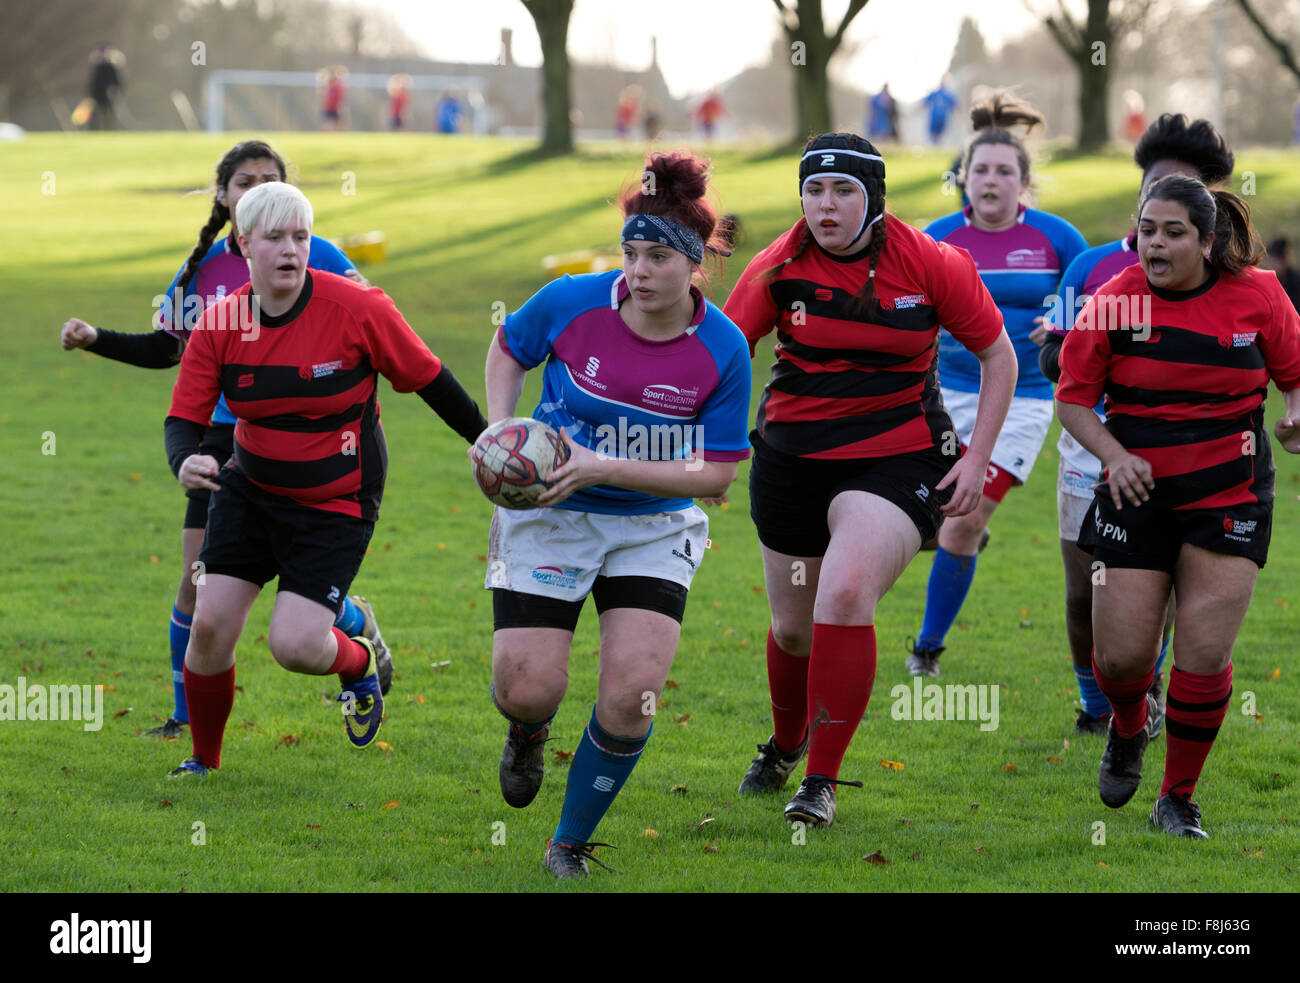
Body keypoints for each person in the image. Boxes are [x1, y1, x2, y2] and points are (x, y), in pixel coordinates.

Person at [723, 133, 1016, 827]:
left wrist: (975, 459)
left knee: (847, 591)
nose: (826, 205)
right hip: (792, 459)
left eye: (844, 191)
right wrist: (719, 445)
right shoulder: (780, 265)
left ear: (874, 197)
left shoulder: (934, 263)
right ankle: (788, 739)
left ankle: (820, 779)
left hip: (900, 455)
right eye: (814, 190)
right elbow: (728, 350)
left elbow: (999, 357)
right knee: (795, 630)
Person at [59, 140, 392, 741]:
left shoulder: (321, 257)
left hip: (302, 434)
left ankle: (343, 618)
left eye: (269, 179)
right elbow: (168, 349)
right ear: (225, 197)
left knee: (289, 599)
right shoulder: (206, 267)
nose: (254, 189)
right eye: (244, 181)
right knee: (198, 582)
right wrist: (97, 340)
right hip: (217, 438)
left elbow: (366, 321)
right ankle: (188, 718)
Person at [482, 151, 751, 877]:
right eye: (631, 251)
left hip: (652, 526)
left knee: (634, 695)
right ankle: (528, 729)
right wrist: (499, 429)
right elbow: (510, 347)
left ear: (694, 263)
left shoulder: (722, 348)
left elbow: (718, 472)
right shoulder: (571, 301)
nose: (638, 268)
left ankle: (568, 841)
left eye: (658, 255)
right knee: (525, 686)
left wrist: (605, 467)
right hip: (550, 515)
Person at [162, 181, 486, 778]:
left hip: (336, 499)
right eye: (276, 237)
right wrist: (185, 459)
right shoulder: (220, 323)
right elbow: (184, 417)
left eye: (302, 236)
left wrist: (485, 440)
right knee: (207, 627)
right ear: (244, 245)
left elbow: (431, 378)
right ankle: (204, 762)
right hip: (250, 490)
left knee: (295, 647)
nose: (291, 249)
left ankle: (357, 660)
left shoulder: (359, 309)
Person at [1057, 175, 1300, 838]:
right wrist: (1116, 455)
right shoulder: (1113, 300)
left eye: (1172, 232)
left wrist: (1294, 416)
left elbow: (1296, 375)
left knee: (1202, 650)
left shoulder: (1260, 295)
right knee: (1124, 658)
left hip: (1232, 493)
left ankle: (1178, 797)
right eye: (1146, 229)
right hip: (1135, 494)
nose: (1153, 244)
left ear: (1208, 239)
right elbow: (1074, 399)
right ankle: (1130, 727)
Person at [1038, 114, 1235, 735]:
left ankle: (1141, 702)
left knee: (1164, 586)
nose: (1165, 200)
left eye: (1184, 190)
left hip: (1187, 463)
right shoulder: (1093, 270)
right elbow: (1053, 360)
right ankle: (1100, 705)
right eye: (1156, 186)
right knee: (1083, 592)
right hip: (1088, 449)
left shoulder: (1232, 281)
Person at [906, 91, 1087, 679]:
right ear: (963, 178)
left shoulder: (1058, 239)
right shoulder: (937, 237)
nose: (990, 180)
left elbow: (1094, 301)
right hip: (942, 394)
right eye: (979, 169)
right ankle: (953, 546)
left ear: (1023, 182)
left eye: (1004, 171)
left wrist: (1061, 322)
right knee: (923, 514)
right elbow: (905, 307)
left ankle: (926, 648)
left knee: (964, 517)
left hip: (1026, 396)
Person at [85, 43, 124, 131]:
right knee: (97, 116)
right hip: (98, 96)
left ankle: (108, 130)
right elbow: (93, 83)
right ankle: (99, 130)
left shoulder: (109, 67)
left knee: (107, 115)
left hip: (107, 96)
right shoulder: (99, 67)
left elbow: (116, 82)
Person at [1261, 236, 1300, 312]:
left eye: (1273, 262)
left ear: (1283, 260)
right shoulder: (1267, 281)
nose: (1269, 266)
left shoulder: (1296, 282)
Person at [923, 75, 958, 145]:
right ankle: (936, 145)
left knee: (935, 134)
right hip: (940, 116)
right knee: (937, 134)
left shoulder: (940, 93)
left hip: (937, 116)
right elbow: (955, 106)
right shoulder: (946, 94)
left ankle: (935, 145)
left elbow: (925, 103)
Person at [320, 66, 346, 130]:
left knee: (333, 124)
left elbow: (336, 98)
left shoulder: (335, 85)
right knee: (331, 124)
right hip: (332, 107)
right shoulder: (333, 85)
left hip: (333, 108)